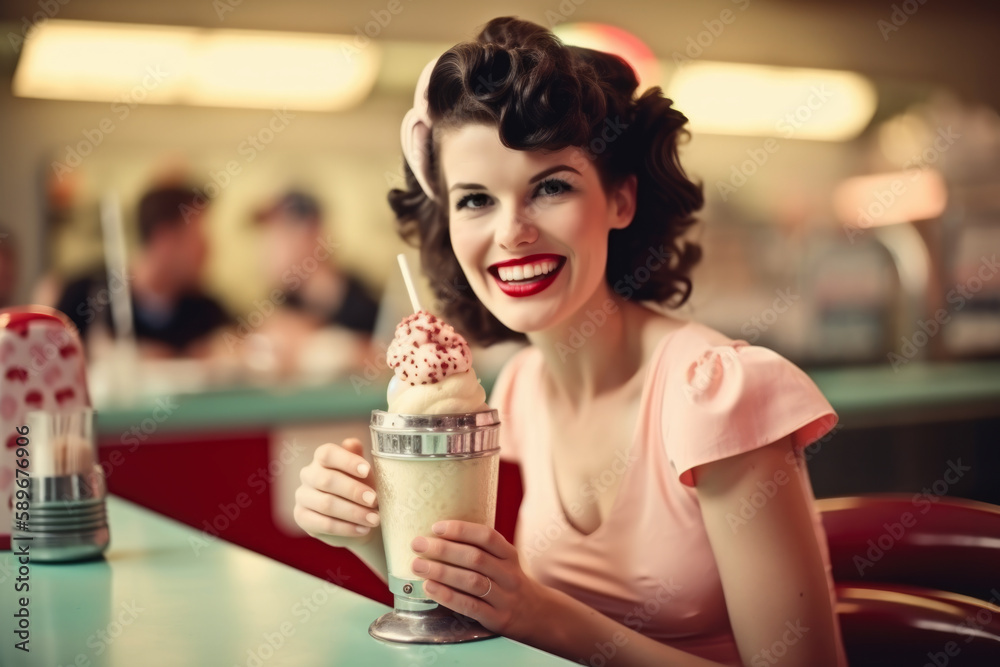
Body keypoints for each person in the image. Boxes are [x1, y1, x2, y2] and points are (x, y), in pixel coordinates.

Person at [293, 17, 847, 667]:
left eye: (550, 187)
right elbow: (479, 606)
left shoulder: (718, 393)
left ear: (620, 200)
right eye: (475, 200)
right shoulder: (523, 389)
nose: (512, 232)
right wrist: (364, 530)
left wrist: (537, 613)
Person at [56, 184, 230, 357]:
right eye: (198, 236)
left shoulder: (207, 313)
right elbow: (50, 356)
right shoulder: (85, 297)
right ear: (164, 238)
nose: (208, 249)